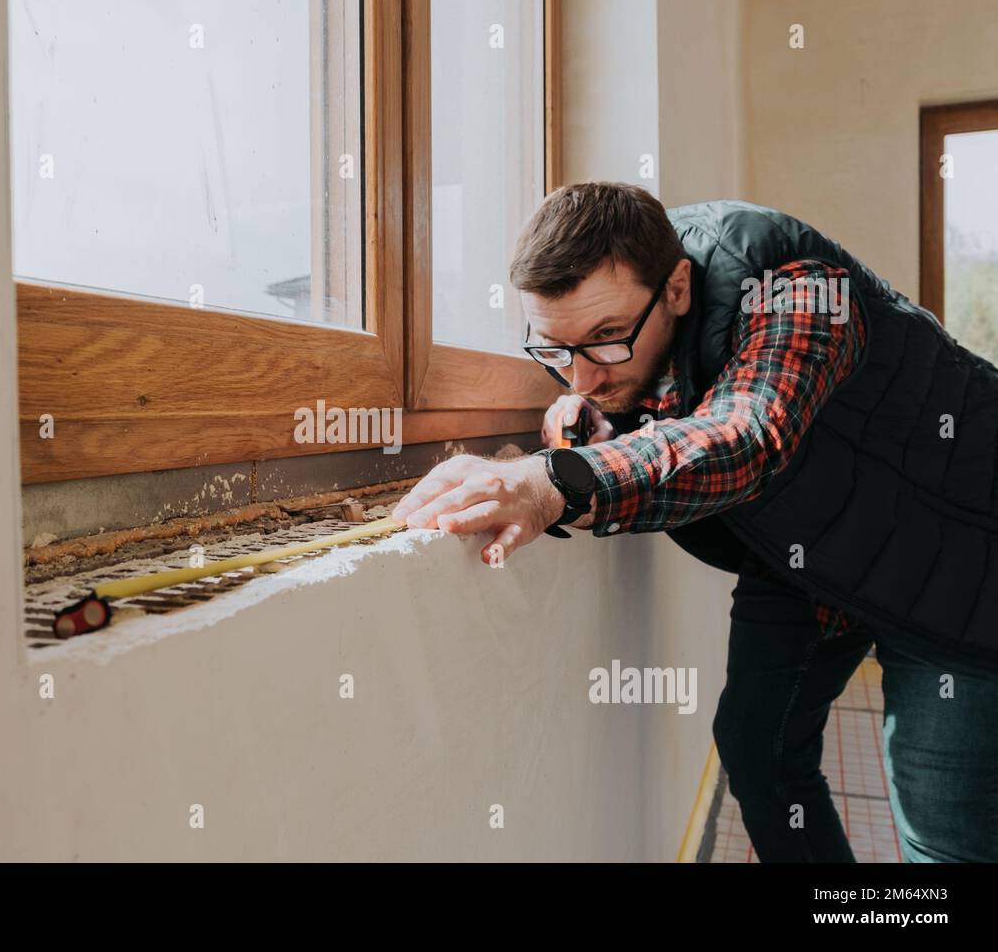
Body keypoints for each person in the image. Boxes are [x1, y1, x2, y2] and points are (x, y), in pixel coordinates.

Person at [393, 181, 998, 862]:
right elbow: (665, 397)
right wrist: (598, 424)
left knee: (943, 834)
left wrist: (557, 480)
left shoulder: (797, 288)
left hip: (962, 569)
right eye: (556, 351)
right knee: (758, 753)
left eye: (606, 339)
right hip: (808, 560)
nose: (580, 377)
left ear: (677, 287)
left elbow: (748, 433)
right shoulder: (630, 321)